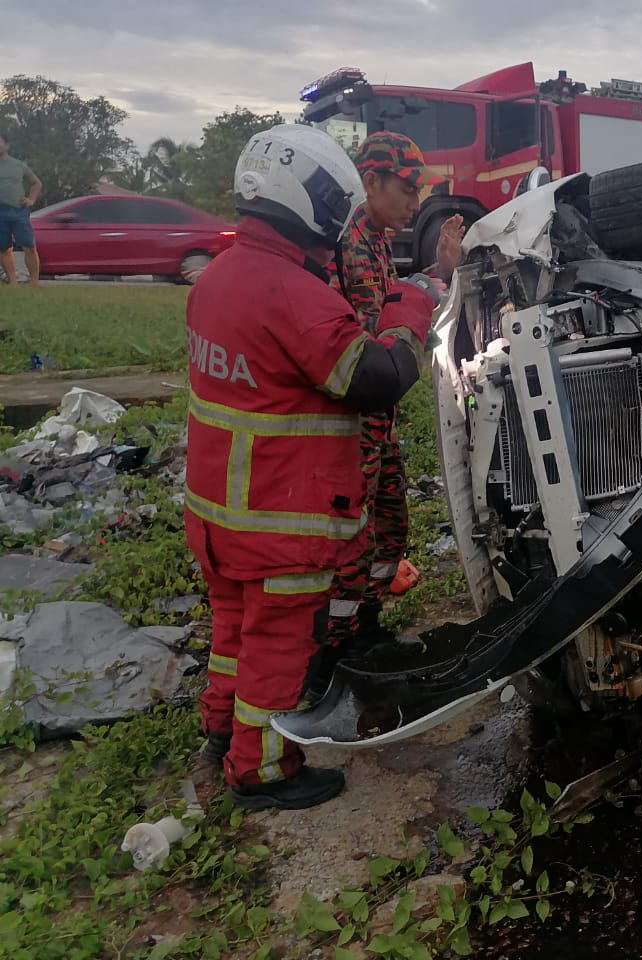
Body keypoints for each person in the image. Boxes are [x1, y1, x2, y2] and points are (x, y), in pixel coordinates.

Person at [187, 124, 438, 810]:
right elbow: (379, 376)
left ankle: (219, 729)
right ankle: (261, 768)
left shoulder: (220, 277)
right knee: (276, 647)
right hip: (277, 515)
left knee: (233, 632)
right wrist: (414, 305)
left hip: (217, 510)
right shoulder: (291, 294)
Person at [309, 133, 464, 701]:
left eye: (418, 190)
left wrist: (434, 270)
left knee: (391, 522)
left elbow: (395, 298)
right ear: (369, 182)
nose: (414, 203)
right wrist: (429, 281)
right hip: (357, 419)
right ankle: (340, 645)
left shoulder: (374, 239)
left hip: (381, 417)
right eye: (405, 189)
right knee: (355, 534)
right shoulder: (351, 245)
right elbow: (376, 329)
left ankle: (367, 623)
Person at [0, 133, 42, 287]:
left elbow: (36, 183)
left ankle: (34, 283)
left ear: (6, 145)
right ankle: (12, 283)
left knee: (29, 247)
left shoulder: (18, 165)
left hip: (18, 211)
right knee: (4, 248)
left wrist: (31, 200)